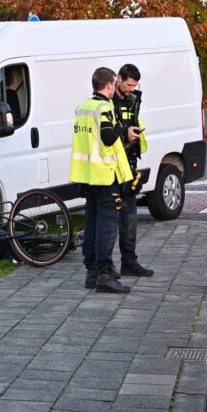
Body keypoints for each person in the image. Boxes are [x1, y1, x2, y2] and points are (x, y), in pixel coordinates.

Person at [70, 67, 134, 293]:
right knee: (107, 227)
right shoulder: (104, 108)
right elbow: (108, 137)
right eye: (114, 83)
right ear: (109, 84)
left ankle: (92, 273)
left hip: (87, 177)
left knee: (92, 225)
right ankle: (105, 275)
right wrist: (122, 129)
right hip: (105, 176)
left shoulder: (82, 108)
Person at [112, 63, 154, 277]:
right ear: (118, 78)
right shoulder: (107, 101)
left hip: (128, 164)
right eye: (128, 84)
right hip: (110, 168)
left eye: (134, 85)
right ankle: (104, 267)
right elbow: (104, 135)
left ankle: (129, 261)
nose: (131, 89)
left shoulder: (132, 99)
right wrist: (123, 134)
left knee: (129, 216)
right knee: (109, 219)